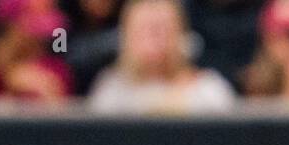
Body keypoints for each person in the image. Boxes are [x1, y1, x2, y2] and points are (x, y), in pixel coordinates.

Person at [88, 0, 235, 113]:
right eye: (143, 31)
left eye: (161, 30)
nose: (153, 41)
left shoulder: (208, 89)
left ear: (181, 34)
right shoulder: (111, 90)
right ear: (126, 37)